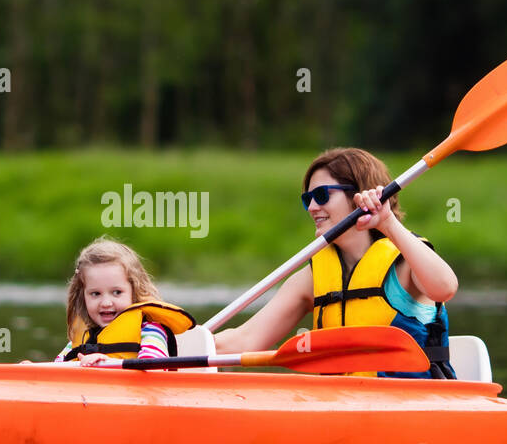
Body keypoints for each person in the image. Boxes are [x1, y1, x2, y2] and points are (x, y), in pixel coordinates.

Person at [214, 147, 458, 378]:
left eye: (321, 196)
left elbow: (445, 288)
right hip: (341, 405)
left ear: (359, 195)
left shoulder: (405, 263)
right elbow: (245, 340)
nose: (311, 207)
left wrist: (388, 223)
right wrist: (184, 342)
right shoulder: (312, 278)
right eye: (307, 198)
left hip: (412, 408)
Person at [54, 237, 195, 366]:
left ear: (135, 290)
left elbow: (155, 369)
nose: (106, 302)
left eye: (117, 292)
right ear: (82, 296)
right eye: (95, 294)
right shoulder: (82, 336)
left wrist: (108, 363)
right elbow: (55, 369)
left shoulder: (150, 331)